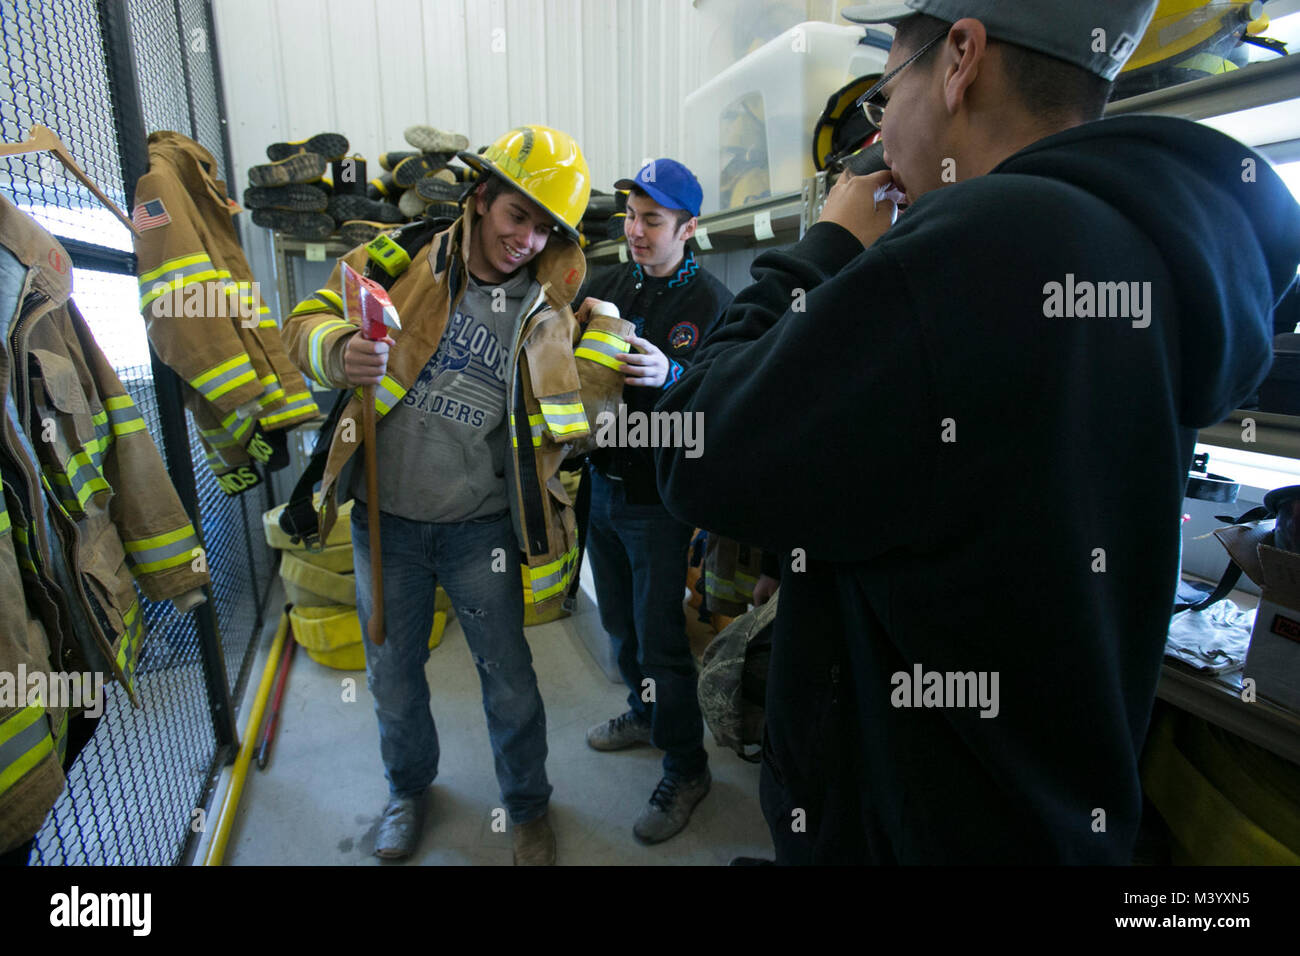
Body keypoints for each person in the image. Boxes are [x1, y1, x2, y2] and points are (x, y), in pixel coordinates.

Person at [655, 0, 1300, 864]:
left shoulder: (977, 244)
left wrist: (826, 245)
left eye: (886, 96)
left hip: (914, 826)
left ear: (961, 58)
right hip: (1045, 813)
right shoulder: (1146, 241)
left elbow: (696, 451)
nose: (881, 134)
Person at [283, 125, 610, 865]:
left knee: (509, 679)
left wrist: (639, 366)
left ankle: (527, 808)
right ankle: (407, 793)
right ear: (482, 197)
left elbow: (593, 388)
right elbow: (299, 323)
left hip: (479, 532)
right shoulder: (401, 260)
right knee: (393, 680)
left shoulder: (552, 307)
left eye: (543, 227)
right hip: (384, 524)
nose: (526, 240)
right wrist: (339, 351)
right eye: (516, 216)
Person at [575, 159, 733, 843]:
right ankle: (645, 715)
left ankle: (687, 765)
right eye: (631, 217)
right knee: (622, 625)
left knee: (663, 639)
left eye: (652, 220)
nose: (635, 231)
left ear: (688, 227)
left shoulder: (714, 305)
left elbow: (727, 396)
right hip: (602, 483)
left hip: (658, 496)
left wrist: (673, 373)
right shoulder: (610, 285)